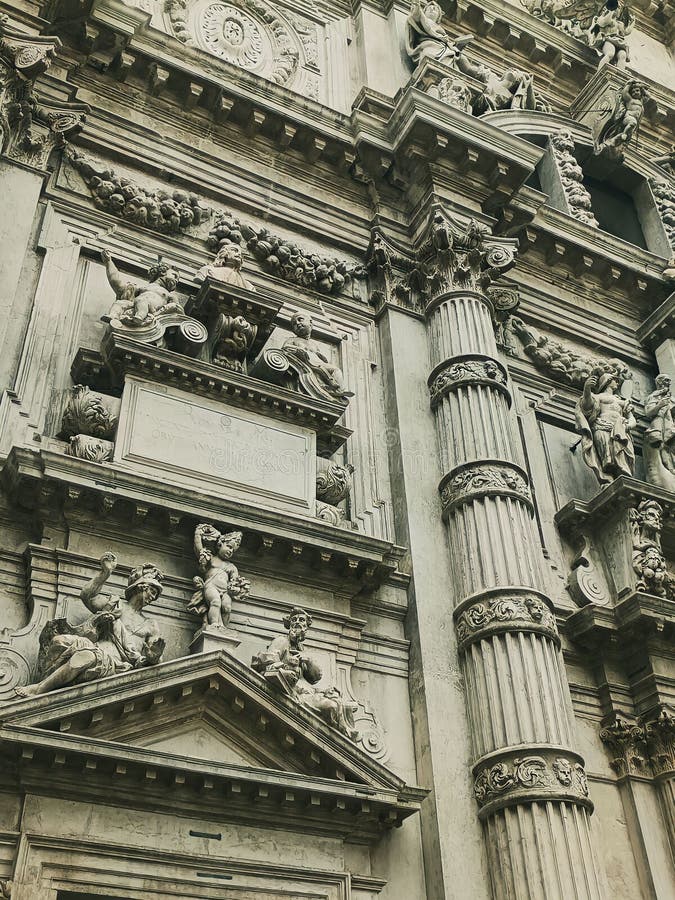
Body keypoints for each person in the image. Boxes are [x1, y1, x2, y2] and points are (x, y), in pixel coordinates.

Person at [16, 554, 165, 697]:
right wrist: (105, 574)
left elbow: (155, 656)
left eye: (156, 595)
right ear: (140, 587)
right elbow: (87, 596)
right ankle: (50, 678)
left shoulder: (151, 625)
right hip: (97, 647)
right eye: (152, 591)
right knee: (59, 641)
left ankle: (40, 689)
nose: (153, 597)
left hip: (116, 663)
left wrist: (154, 657)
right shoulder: (115, 604)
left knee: (85, 656)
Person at [575, 372, 635, 483]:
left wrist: (629, 425)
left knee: (624, 460)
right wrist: (587, 389)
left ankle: (625, 480)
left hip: (621, 430)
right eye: (614, 380)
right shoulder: (597, 397)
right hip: (602, 427)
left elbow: (631, 418)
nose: (617, 382)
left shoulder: (622, 401)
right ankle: (608, 481)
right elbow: (586, 407)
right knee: (607, 459)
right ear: (607, 381)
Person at [188, 525, 250, 629]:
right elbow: (199, 549)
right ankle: (214, 626)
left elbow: (235, 582)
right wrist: (198, 533)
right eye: (229, 547)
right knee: (215, 602)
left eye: (233, 550)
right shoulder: (211, 559)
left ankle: (223, 629)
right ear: (220, 544)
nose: (230, 551)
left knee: (227, 608)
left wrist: (236, 589)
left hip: (225, 590)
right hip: (211, 586)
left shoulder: (232, 567)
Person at [102, 249, 183, 327]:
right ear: (163, 271)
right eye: (174, 276)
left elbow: (178, 311)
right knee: (120, 303)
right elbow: (118, 285)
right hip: (135, 304)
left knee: (142, 301)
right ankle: (113, 316)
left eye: (177, 279)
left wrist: (161, 312)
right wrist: (109, 262)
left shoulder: (170, 295)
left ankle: (139, 317)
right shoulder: (142, 287)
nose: (176, 280)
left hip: (151, 308)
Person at [283, 312, 353, 399]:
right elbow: (285, 348)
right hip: (307, 361)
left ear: (310, 323)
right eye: (294, 324)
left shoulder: (313, 344)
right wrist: (299, 350)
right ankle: (331, 387)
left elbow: (320, 355)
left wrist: (322, 357)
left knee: (336, 370)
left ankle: (340, 390)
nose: (297, 323)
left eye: (300, 319)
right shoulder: (292, 340)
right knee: (325, 370)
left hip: (318, 363)